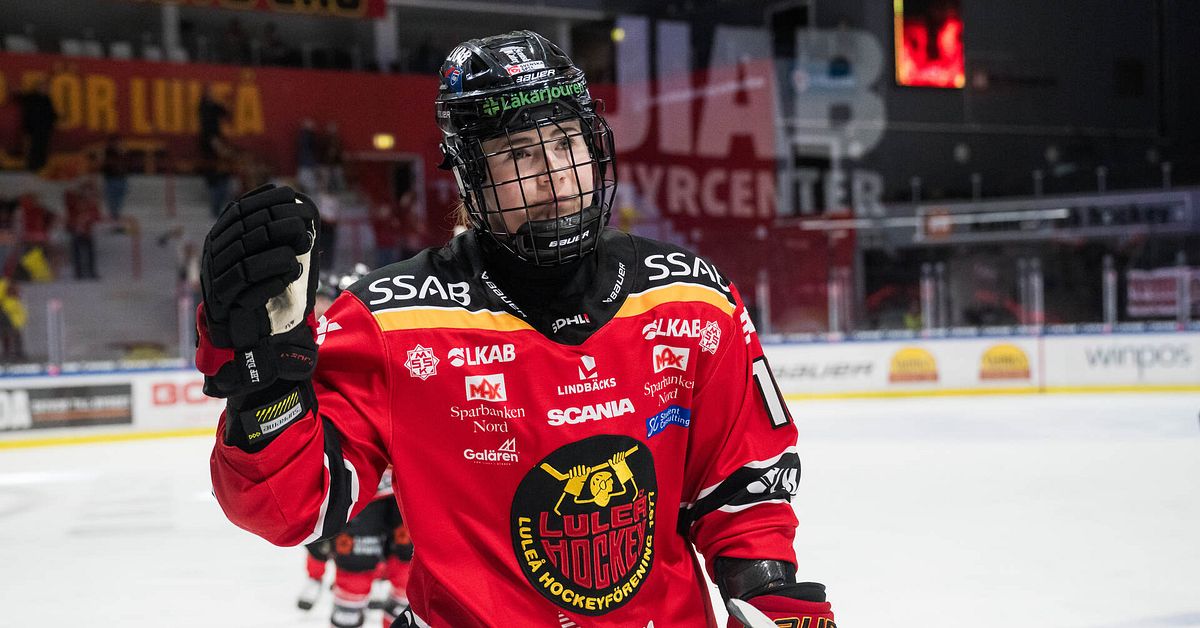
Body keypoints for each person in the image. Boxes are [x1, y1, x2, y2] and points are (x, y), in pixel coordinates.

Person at [200, 31, 835, 627]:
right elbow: (289, 508)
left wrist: (771, 599)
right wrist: (262, 385)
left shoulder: (691, 298)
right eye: (520, 153)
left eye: (566, 143)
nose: (556, 175)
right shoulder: (392, 322)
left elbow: (743, 492)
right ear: (470, 174)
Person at [18, 76, 57, 172]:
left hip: (43, 132)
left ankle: (40, 168)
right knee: (32, 151)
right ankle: (31, 168)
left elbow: (51, 114)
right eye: (44, 86)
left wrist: (54, 119)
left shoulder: (47, 100)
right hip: (32, 130)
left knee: (42, 150)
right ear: (39, 87)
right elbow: (21, 97)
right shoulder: (32, 97)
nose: (47, 89)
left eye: (47, 87)